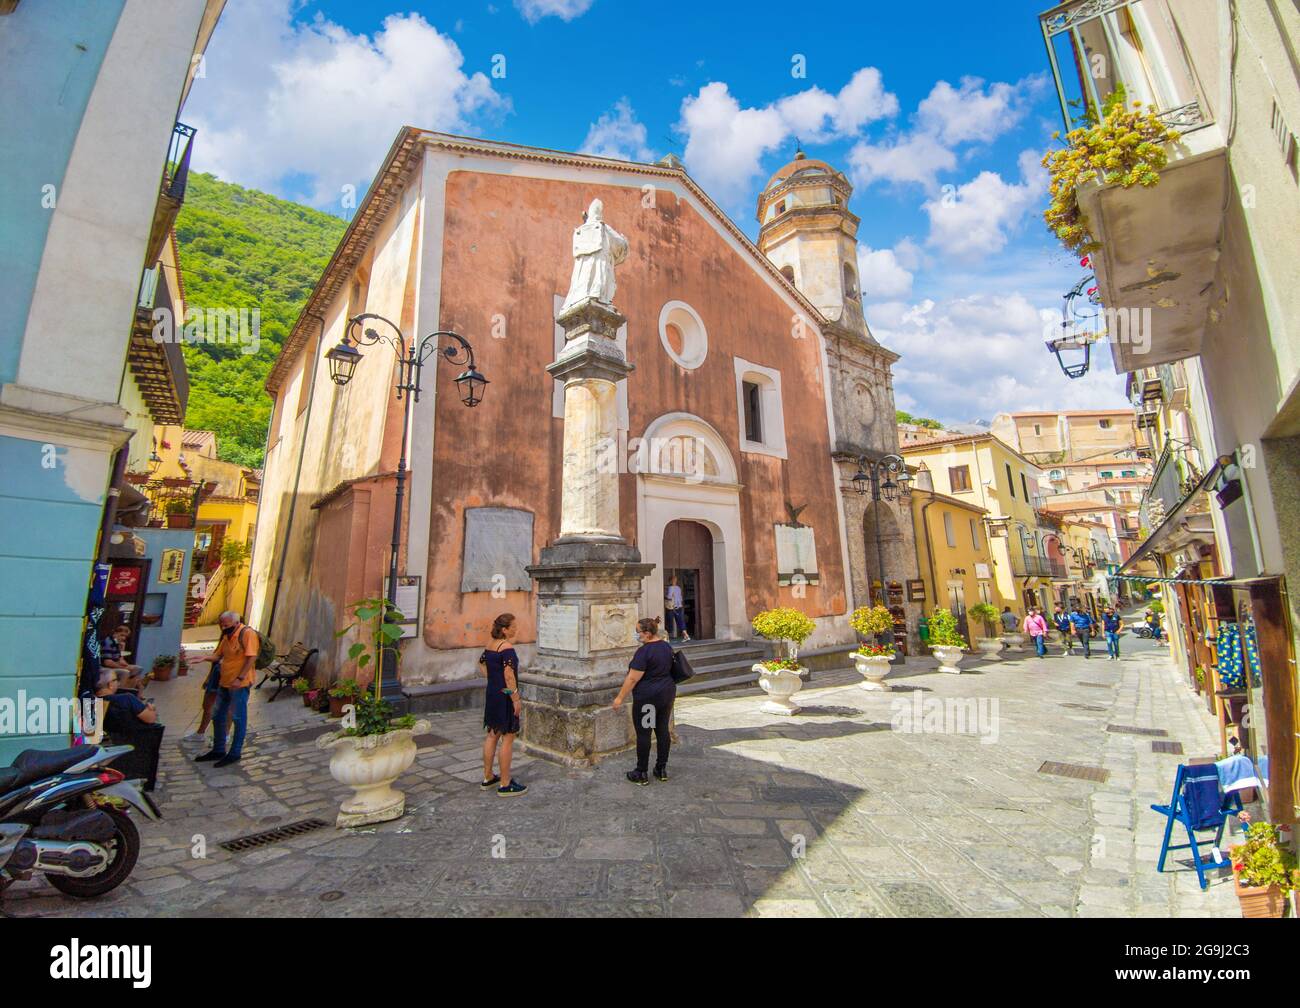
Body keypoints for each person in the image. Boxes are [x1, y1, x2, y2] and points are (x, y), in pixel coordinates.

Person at [613, 616, 676, 785]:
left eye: (638, 632)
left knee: (644, 733)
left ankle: (641, 771)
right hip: (666, 694)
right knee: (662, 730)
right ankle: (661, 768)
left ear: (647, 634)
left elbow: (632, 679)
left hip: (648, 698)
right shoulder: (666, 646)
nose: (636, 635)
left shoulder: (644, 652)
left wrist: (619, 698)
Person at [190, 610, 258, 767]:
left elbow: (251, 657)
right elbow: (218, 655)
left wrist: (240, 677)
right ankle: (219, 749)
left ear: (235, 622)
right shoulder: (227, 636)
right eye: (221, 624)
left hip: (239, 684)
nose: (223, 627)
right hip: (225, 682)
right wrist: (204, 658)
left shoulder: (246, 634)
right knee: (218, 715)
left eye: (226, 625)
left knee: (238, 718)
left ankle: (235, 753)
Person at [478, 613, 526, 796]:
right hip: (505, 695)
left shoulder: (490, 646)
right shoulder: (507, 649)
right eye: (513, 626)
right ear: (505, 629)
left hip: (492, 693)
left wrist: (493, 680)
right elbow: (509, 675)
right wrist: (515, 697)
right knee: (507, 737)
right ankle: (505, 783)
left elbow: (481, 663)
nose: (516, 629)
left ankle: (488, 777)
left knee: (492, 735)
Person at [95, 669, 164, 791]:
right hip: (137, 742)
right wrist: (151, 708)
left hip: (110, 744)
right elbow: (150, 719)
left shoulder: (92, 702)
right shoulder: (127, 699)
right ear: (110, 684)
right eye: (116, 680)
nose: (118, 683)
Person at [664, 575, 689, 642]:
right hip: (679, 607)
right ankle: (686, 636)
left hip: (671, 607)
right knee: (680, 621)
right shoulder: (678, 588)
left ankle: (667, 638)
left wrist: (665, 597)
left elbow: (669, 597)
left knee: (669, 622)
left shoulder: (670, 588)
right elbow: (680, 598)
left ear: (670, 581)